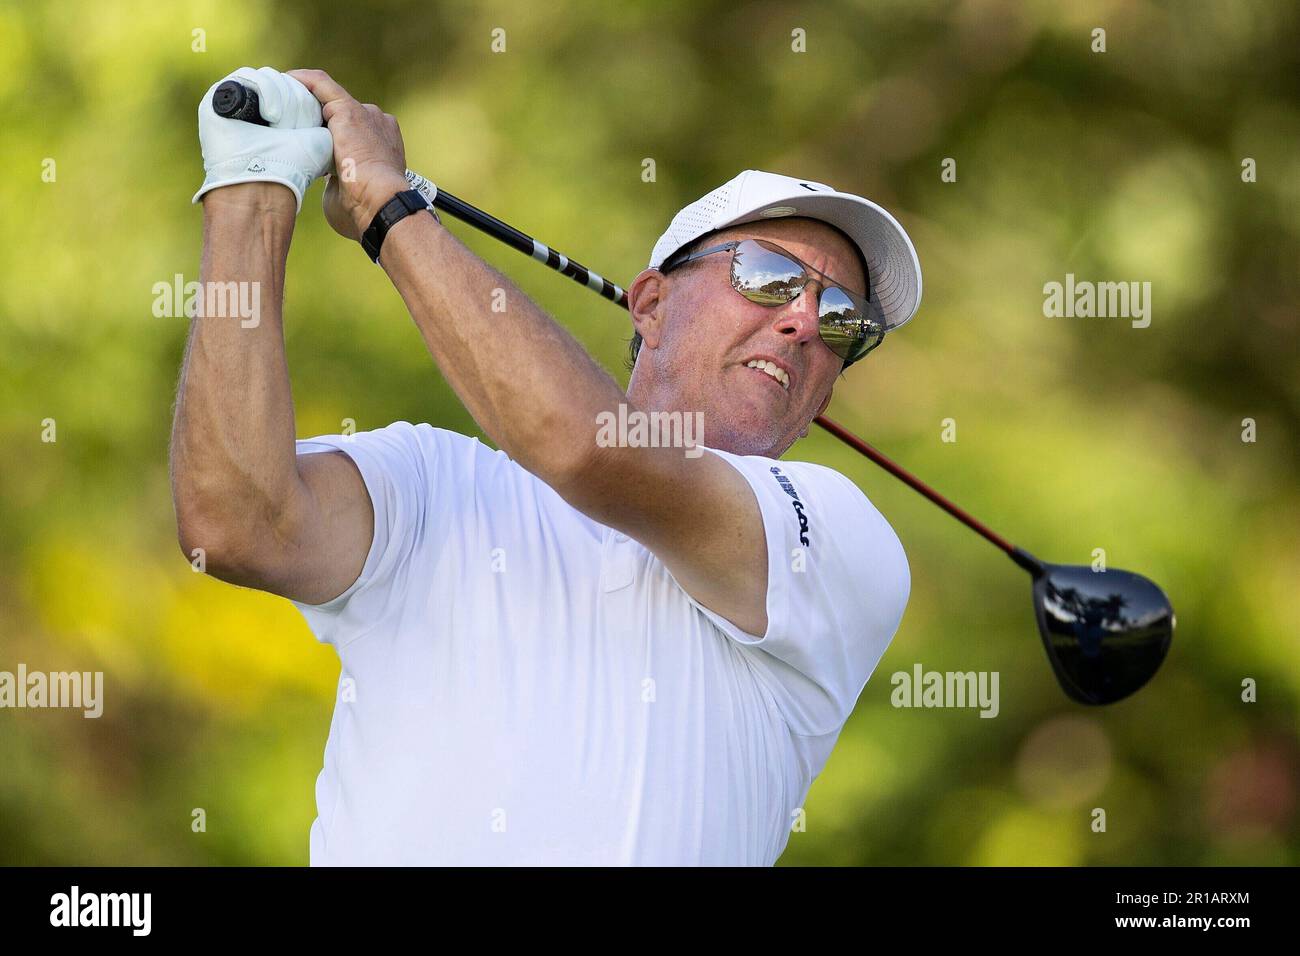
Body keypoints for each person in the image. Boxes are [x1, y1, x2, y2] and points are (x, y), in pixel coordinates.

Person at [171, 66, 922, 865]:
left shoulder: (842, 538)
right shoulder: (436, 480)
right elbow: (235, 525)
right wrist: (250, 192)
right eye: (769, 277)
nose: (806, 321)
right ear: (652, 303)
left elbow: (587, 448)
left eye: (843, 318)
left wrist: (389, 211)